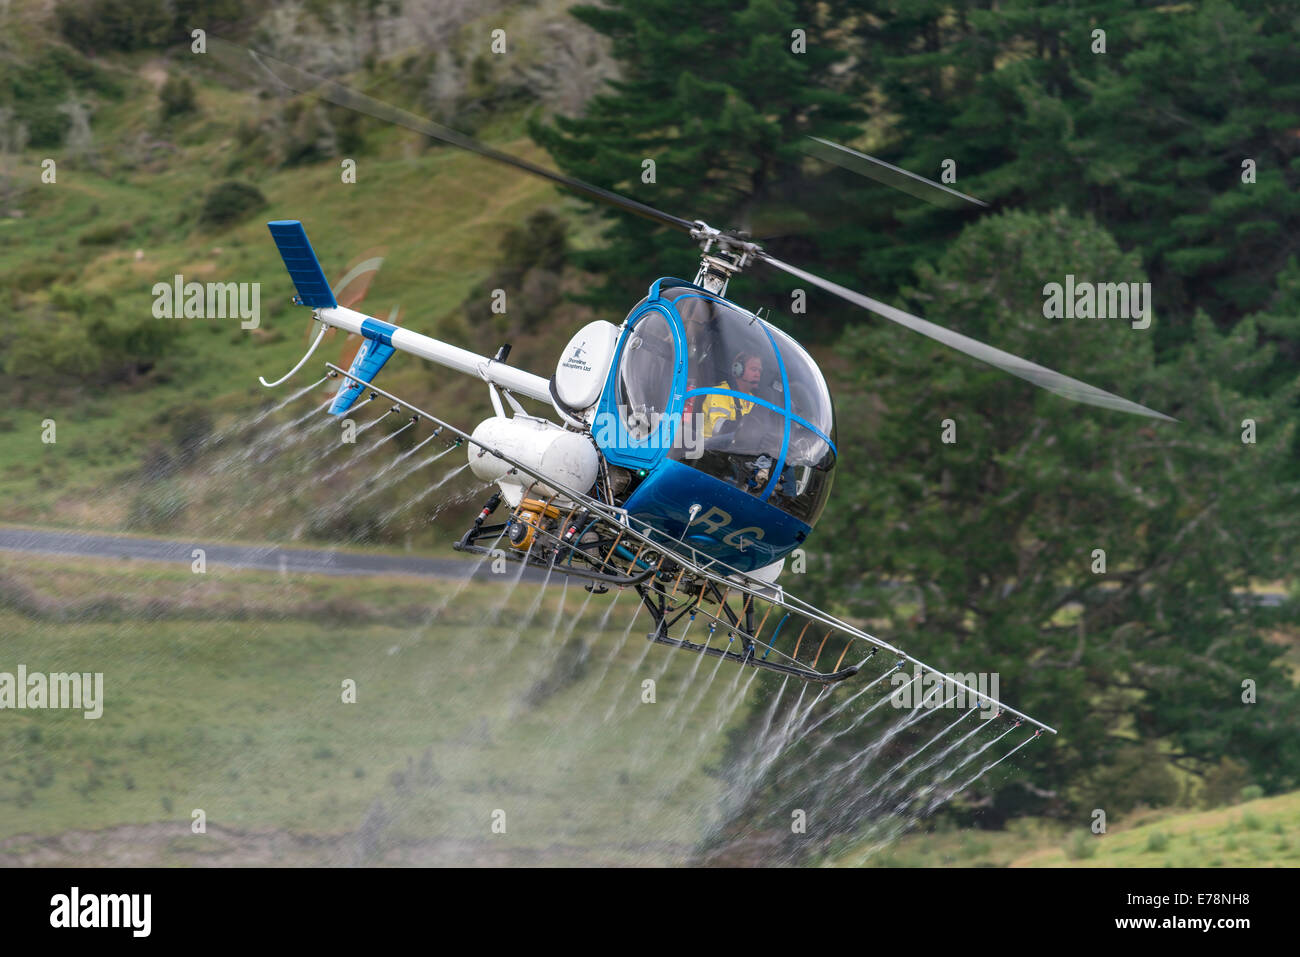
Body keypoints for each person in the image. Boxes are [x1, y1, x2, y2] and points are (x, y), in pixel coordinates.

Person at [700, 352, 763, 439]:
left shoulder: (755, 401)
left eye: (759, 371)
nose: (758, 375)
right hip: (711, 447)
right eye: (753, 369)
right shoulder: (719, 392)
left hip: (738, 448)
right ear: (738, 369)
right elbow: (718, 427)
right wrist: (745, 427)